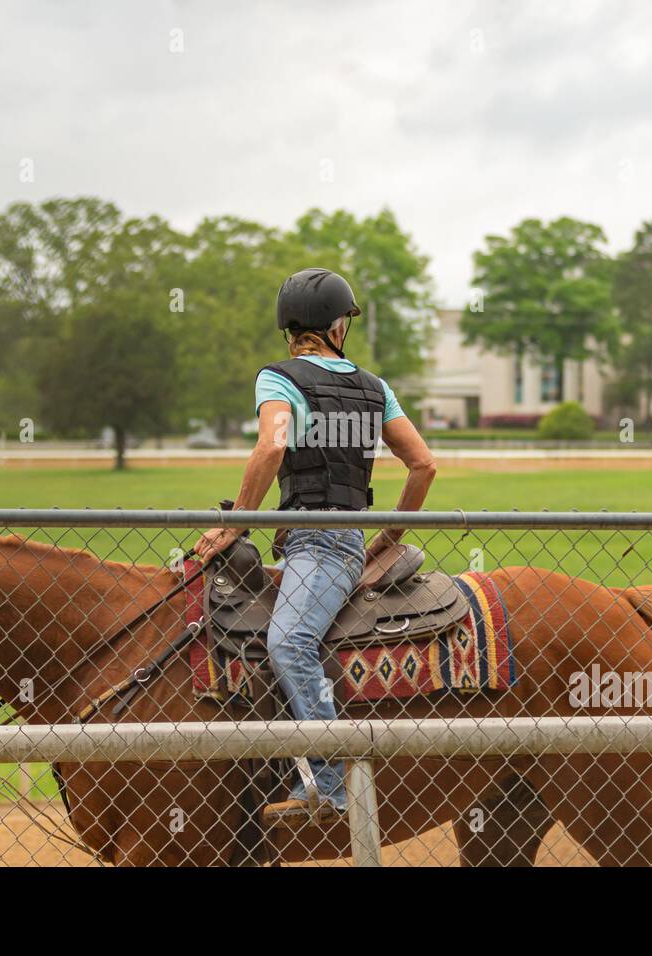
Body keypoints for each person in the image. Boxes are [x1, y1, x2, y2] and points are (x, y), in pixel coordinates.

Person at [194, 267, 437, 824]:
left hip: (316, 546)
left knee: (290, 643)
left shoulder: (279, 379)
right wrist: (389, 537)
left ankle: (332, 787)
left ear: (291, 330)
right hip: (342, 541)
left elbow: (270, 448)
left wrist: (236, 525)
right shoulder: (375, 388)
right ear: (336, 327)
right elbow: (423, 464)